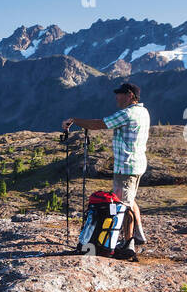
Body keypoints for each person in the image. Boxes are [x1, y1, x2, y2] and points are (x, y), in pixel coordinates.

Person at [63, 82, 149, 246]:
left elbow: (99, 124)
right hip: (136, 164)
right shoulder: (143, 112)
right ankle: (139, 236)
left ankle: (128, 243)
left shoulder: (127, 113)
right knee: (129, 198)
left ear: (129, 95)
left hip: (126, 166)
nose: (116, 97)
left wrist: (74, 121)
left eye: (119, 94)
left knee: (123, 204)